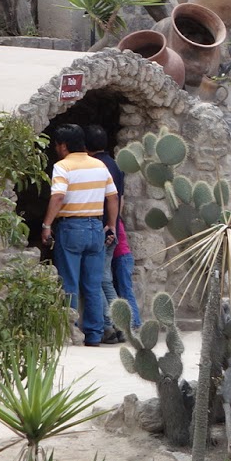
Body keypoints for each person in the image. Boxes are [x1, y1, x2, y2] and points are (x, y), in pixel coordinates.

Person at [40, 124, 118, 347]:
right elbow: (113, 197)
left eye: (56, 145)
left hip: (72, 227)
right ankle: (94, 335)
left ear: (63, 146)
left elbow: (58, 197)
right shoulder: (100, 165)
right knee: (93, 285)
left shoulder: (62, 166)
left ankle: (71, 331)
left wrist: (46, 225)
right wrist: (111, 226)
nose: (56, 149)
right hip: (96, 227)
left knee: (69, 283)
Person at [87, 124, 139, 335]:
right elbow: (119, 199)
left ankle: (110, 324)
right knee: (105, 279)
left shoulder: (95, 166)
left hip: (99, 228)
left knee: (95, 279)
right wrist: (115, 224)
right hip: (113, 228)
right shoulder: (116, 166)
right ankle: (120, 324)